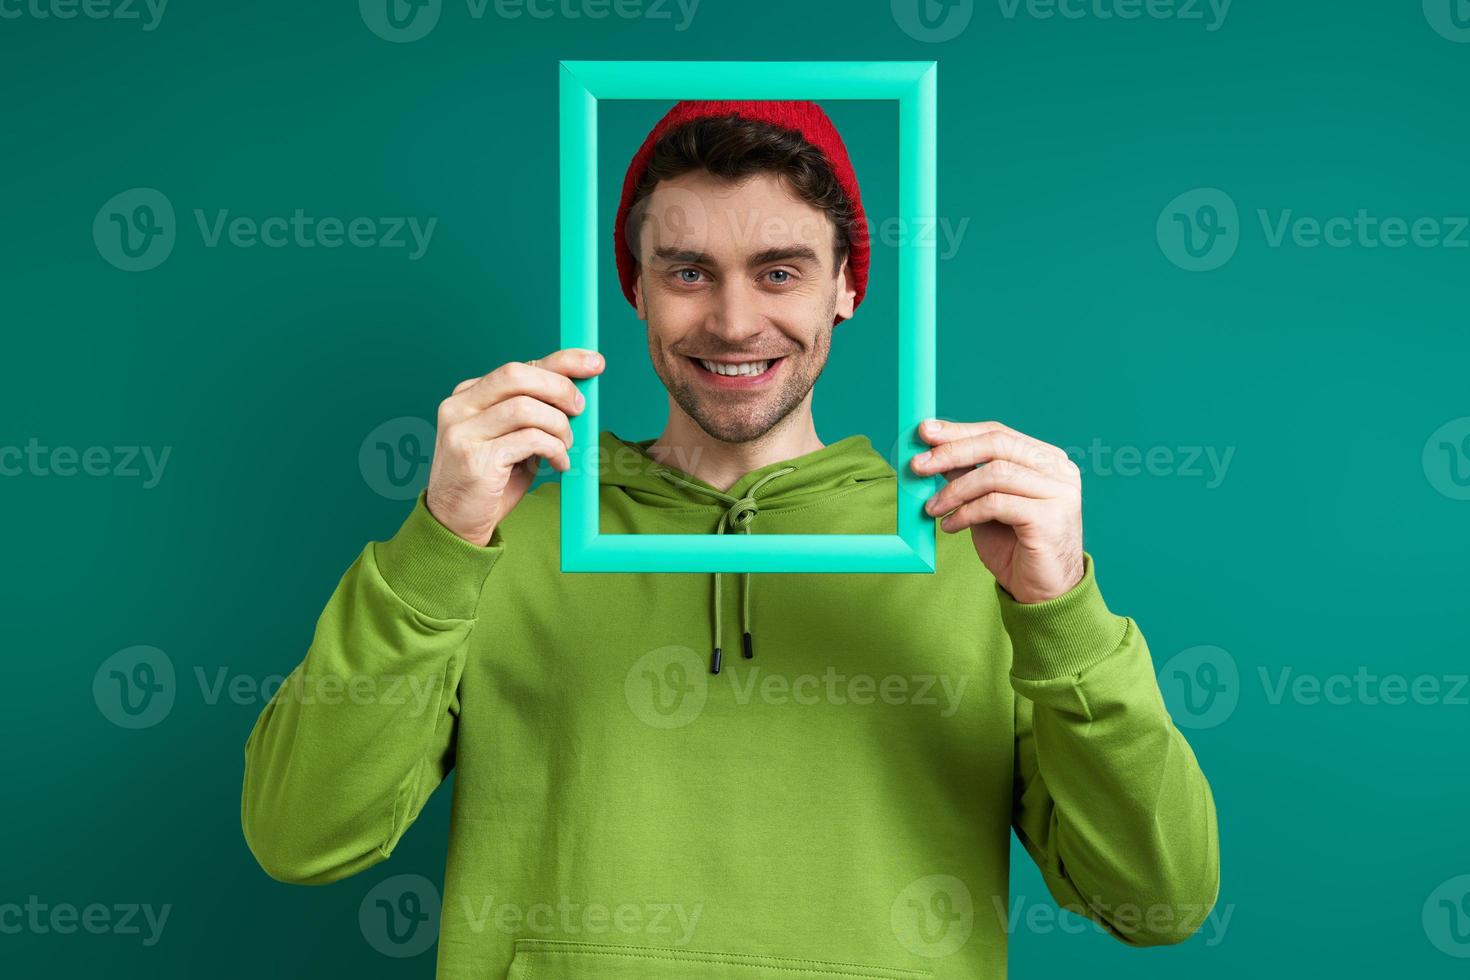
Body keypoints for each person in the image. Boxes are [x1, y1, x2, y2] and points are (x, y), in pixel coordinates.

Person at [241, 99, 1219, 979]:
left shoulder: (972, 546)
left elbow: (1161, 900)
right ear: (635, 288)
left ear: (846, 286)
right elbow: (300, 834)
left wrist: (1062, 613)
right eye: (688, 271)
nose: (734, 318)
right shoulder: (500, 537)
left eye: (780, 270)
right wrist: (439, 540)